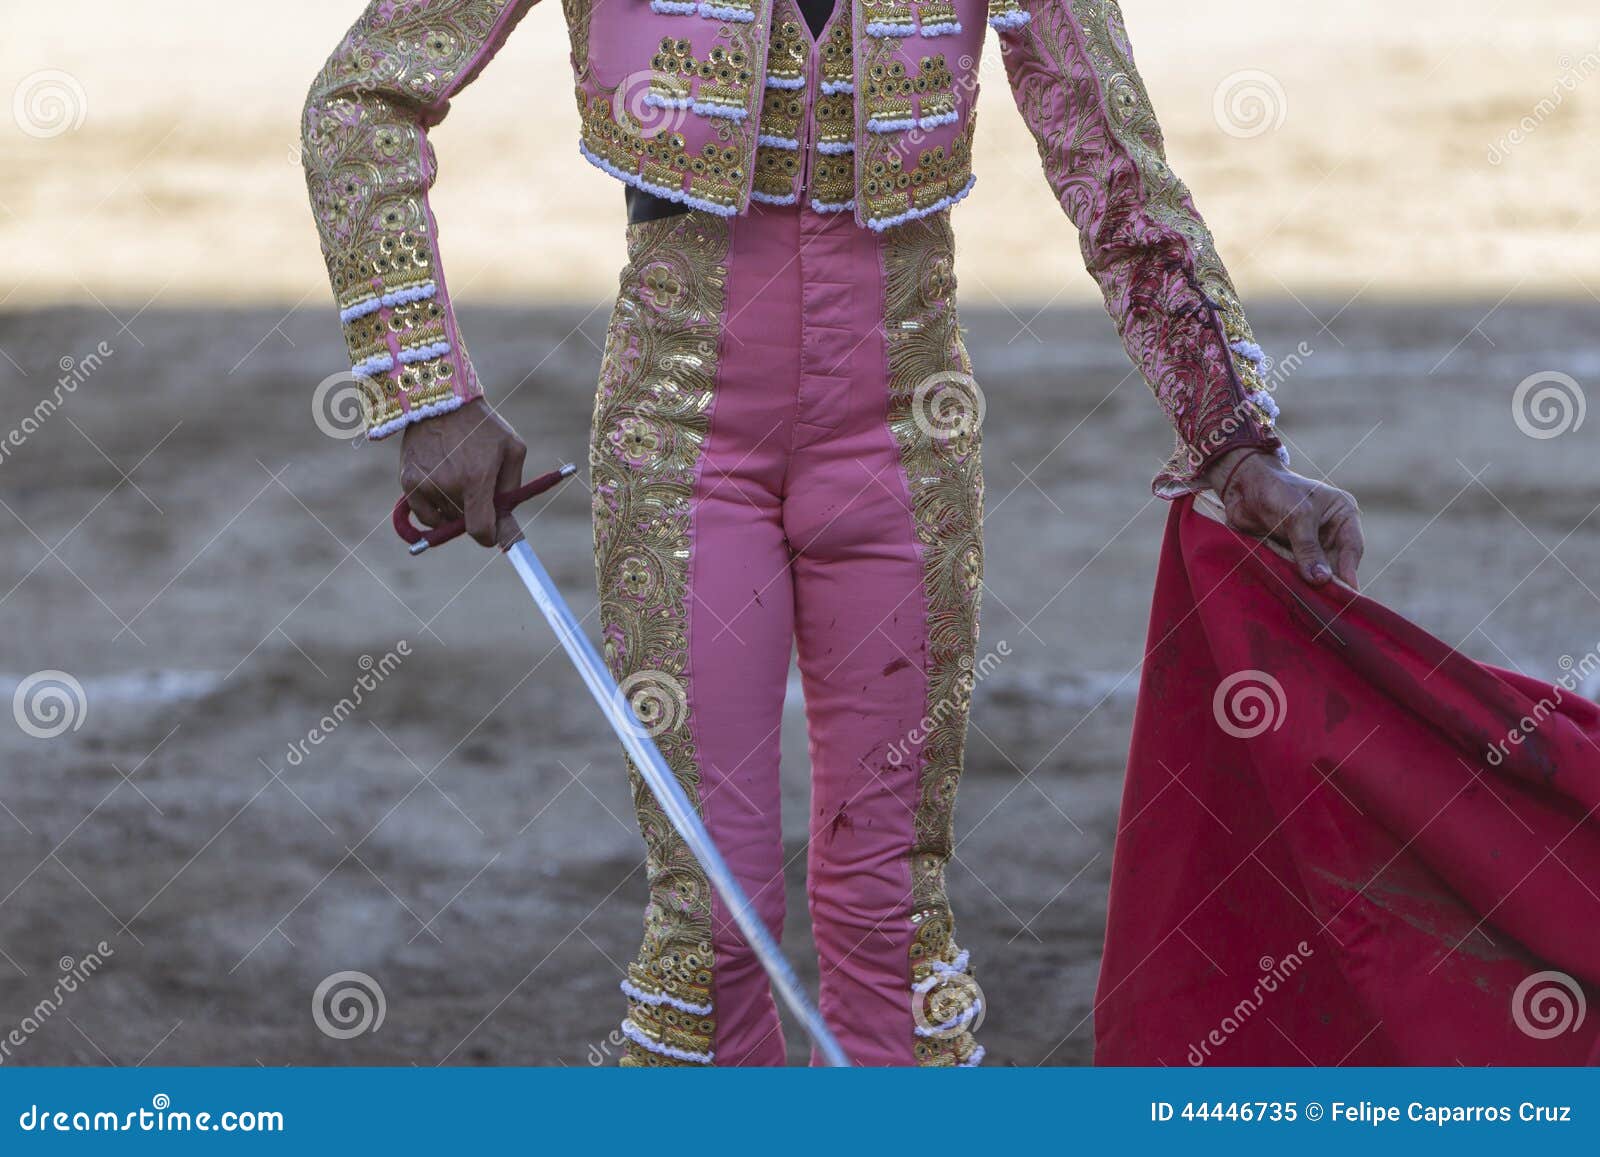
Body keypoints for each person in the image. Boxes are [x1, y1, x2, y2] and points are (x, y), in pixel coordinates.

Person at [301, 0, 1364, 1067]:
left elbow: (1117, 176)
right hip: (684, 440)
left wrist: (1238, 446)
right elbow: (361, 100)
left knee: (891, 913)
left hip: (903, 436)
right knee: (712, 918)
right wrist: (424, 390)